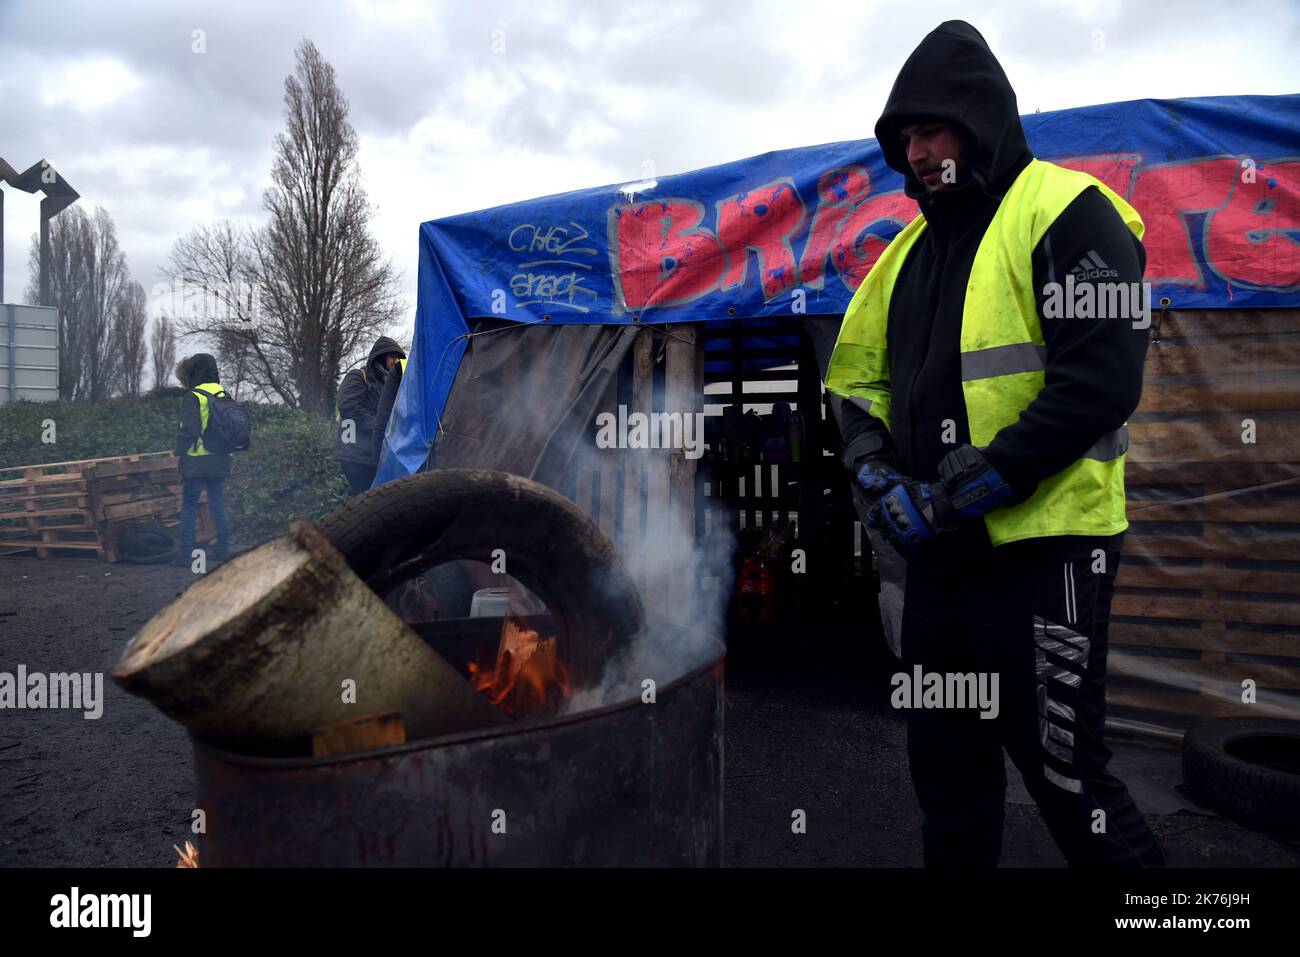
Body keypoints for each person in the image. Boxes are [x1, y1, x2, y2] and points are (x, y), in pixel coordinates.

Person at [826, 20, 1164, 867]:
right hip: (941, 560)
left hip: (1048, 552)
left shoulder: (1068, 209)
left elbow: (1103, 376)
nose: (915, 151)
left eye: (929, 129)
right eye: (903, 138)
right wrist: (873, 473)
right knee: (947, 769)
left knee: (1064, 773)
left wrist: (996, 472)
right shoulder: (899, 257)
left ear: (977, 120)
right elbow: (850, 383)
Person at [173, 354, 232, 567]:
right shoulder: (224, 394)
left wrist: (178, 451)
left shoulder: (194, 396)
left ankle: (186, 553)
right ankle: (223, 548)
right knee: (217, 503)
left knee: (189, 504)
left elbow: (190, 428)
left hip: (197, 460)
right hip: (220, 459)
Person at [334, 336, 406, 495]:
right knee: (365, 501)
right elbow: (349, 406)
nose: (396, 360)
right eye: (392, 356)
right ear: (380, 356)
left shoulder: (389, 385)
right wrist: (380, 427)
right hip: (355, 453)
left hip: (374, 454)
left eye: (399, 357)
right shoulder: (358, 376)